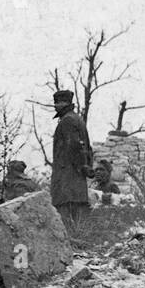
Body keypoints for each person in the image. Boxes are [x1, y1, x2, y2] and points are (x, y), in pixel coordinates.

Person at [50, 89, 92, 228]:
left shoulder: (67, 121)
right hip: (76, 180)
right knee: (79, 219)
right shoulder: (77, 119)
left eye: (57, 103)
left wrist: (80, 167)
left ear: (64, 103)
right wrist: (86, 167)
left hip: (67, 179)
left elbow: (73, 147)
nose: (55, 106)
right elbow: (86, 147)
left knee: (66, 218)